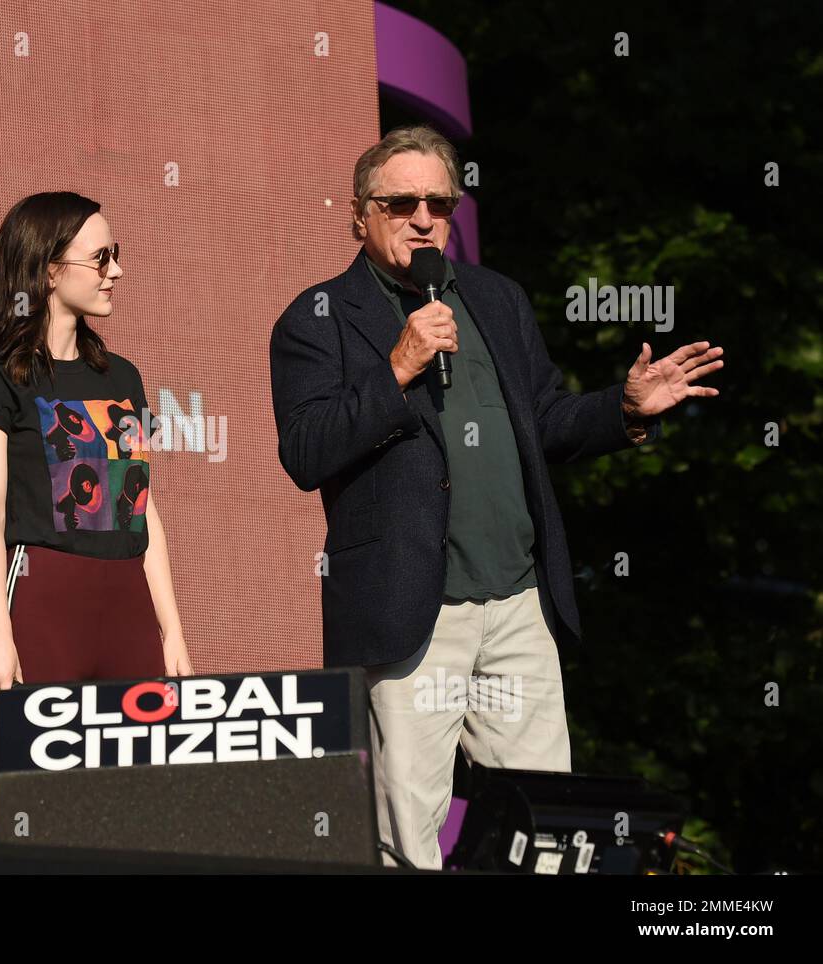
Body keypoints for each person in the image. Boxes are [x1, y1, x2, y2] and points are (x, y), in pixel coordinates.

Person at [268, 124, 724, 869]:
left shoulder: (493, 298)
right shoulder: (318, 317)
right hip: (411, 612)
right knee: (405, 840)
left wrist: (625, 408)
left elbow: (545, 420)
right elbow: (306, 450)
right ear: (359, 214)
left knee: (547, 827)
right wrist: (399, 366)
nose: (422, 219)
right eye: (401, 202)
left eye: (438, 204)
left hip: (517, 607)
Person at [0, 191, 193, 703]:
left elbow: (142, 512)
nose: (117, 271)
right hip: (45, 603)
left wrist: (171, 632)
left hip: (129, 608)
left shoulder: (122, 377)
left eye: (116, 254)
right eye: (101, 257)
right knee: (40, 779)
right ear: (50, 269)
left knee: (143, 778)